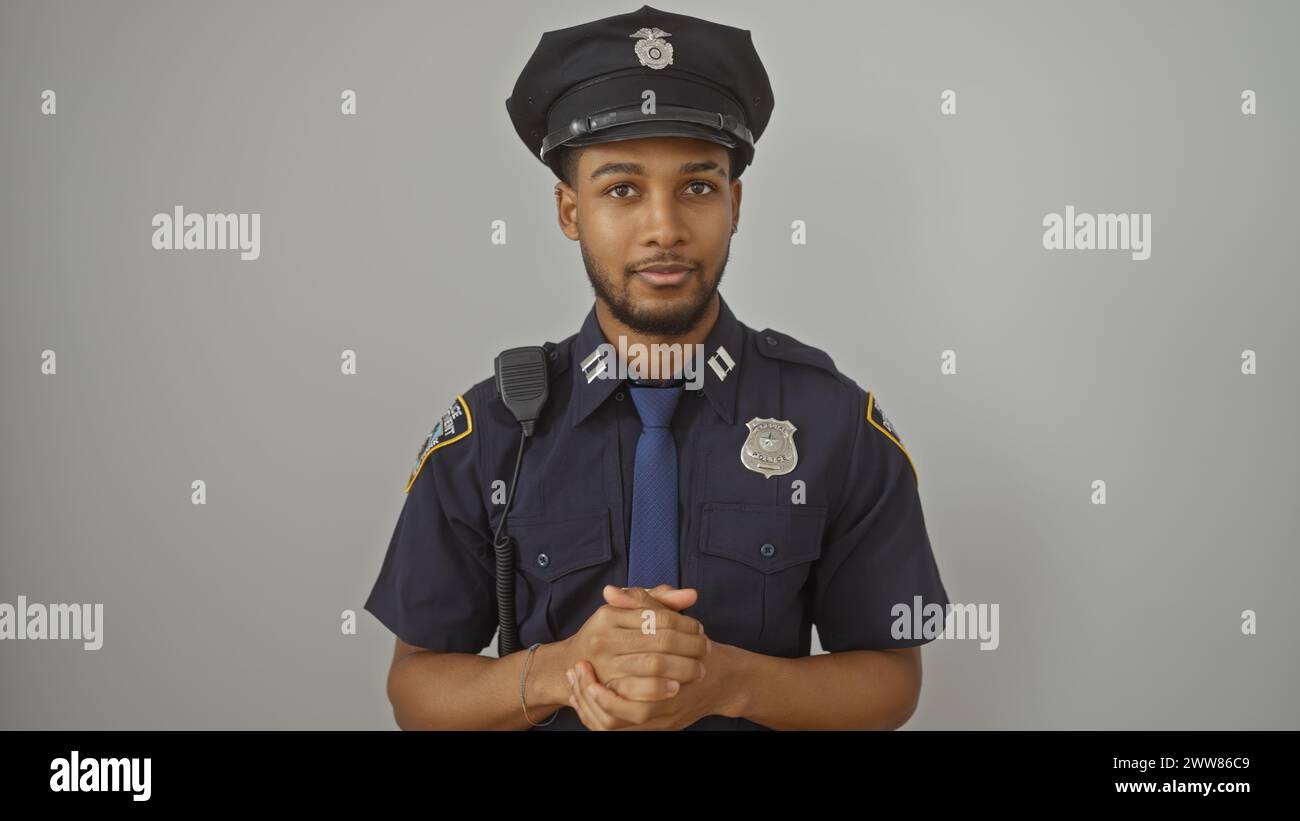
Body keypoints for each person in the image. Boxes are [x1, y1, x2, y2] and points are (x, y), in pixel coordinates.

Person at [363, 4, 949, 730]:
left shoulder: (832, 420)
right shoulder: (489, 429)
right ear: (569, 210)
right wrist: (559, 670)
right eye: (622, 189)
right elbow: (415, 691)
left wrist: (730, 681)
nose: (665, 227)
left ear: (735, 203)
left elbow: (892, 679)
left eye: (699, 186)